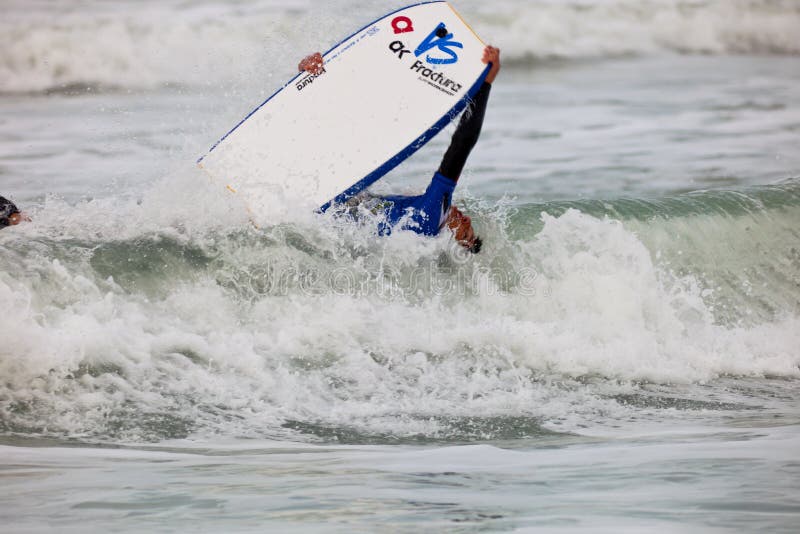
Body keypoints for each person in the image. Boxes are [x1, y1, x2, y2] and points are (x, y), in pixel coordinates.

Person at [299, 46, 501, 253]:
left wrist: (486, 84)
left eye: (465, 234)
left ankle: (319, 79)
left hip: (327, 212)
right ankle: (318, 80)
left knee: (362, 138)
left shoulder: (431, 214)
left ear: (448, 242)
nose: (467, 220)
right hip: (329, 219)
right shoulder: (420, 231)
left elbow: (462, 144)